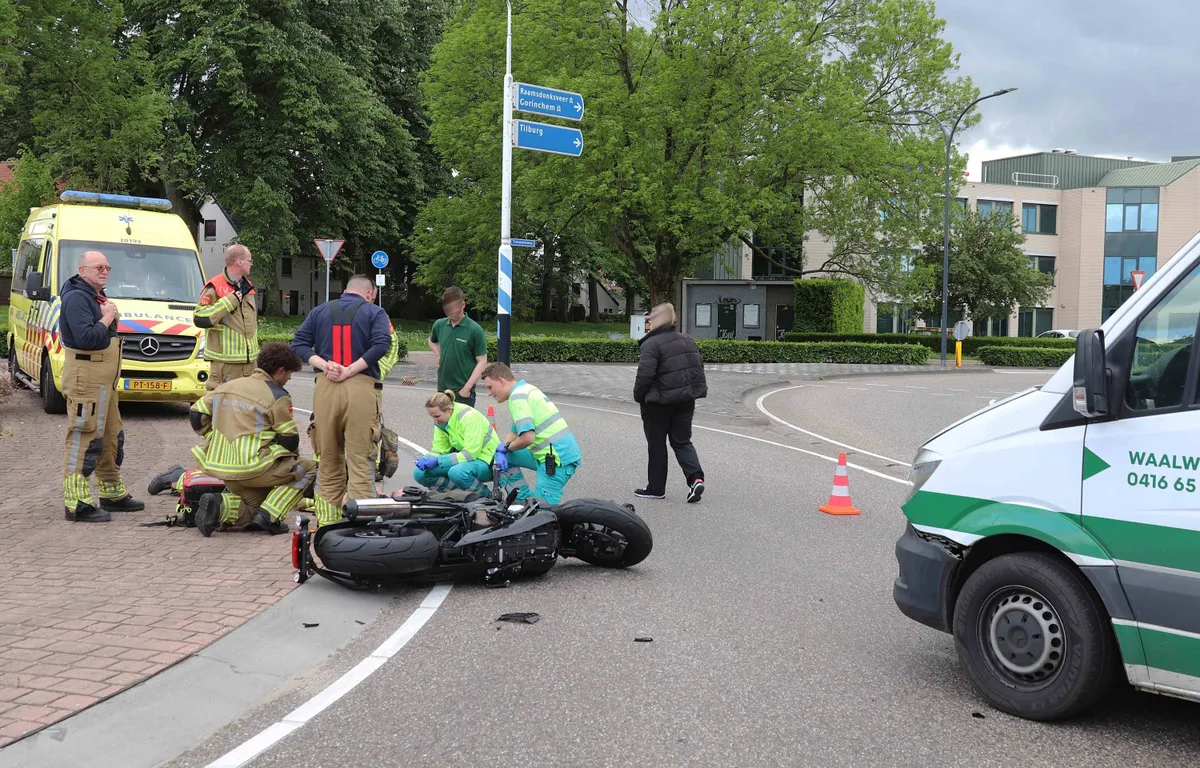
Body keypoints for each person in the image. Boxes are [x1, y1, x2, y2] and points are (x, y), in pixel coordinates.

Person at [175, 342, 332, 535]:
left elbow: (196, 414)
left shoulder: (227, 386)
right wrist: (283, 459)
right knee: (308, 468)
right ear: (280, 370)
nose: (289, 378)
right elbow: (290, 440)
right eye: (289, 373)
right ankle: (270, 517)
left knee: (253, 509)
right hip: (255, 469)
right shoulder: (277, 396)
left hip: (221, 468)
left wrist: (211, 435)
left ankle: (219, 507)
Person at [291, 275, 392, 508]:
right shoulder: (375, 312)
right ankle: (358, 523)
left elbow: (298, 344)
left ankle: (328, 523)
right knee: (361, 463)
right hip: (361, 390)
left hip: (325, 388)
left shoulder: (319, 311)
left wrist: (325, 365)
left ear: (346, 290)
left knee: (328, 462)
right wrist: (349, 370)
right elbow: (381, 345)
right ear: (370, 293)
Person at [59, 250, 145, 522]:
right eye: (98, 267)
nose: (105, 271)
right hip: (86, 379)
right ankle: (77, 503)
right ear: (82, 270)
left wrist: (110, 317)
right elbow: (87, 338)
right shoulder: (76, 298)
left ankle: (112, 493)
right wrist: (107, 317)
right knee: (85, 438)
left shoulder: (95, 296)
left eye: (107, 267)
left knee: (110, 437)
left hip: (105, 382)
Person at [633, 302, 707, 502]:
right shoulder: (688, 340)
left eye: (652, 317)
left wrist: (639, 396)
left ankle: (656, 489)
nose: (649, 320)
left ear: (658, 320)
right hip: (685, 401)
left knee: (657, 444)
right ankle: (696, 479)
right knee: (682, 442)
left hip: (658, 404)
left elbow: (645, 376)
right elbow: (697, 369)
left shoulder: (651, 344)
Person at [482, 362, 582, 505]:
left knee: (543, 510)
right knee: (503, 457)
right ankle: (521, 501)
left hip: (556, 459)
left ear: (501, 381)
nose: (489, 393)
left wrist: (506, 447)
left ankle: (532, 506)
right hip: (554, 453)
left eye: (490, 387)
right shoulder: (525, 389)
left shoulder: (518, 397)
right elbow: (514, 431)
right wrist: (502, 449)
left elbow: (527, 438)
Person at [194, 244, 259, 391]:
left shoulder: (247, 286)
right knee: (220, 403)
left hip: (249, 364)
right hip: (225, 365)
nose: (251, 264)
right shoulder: (215, 286)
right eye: (249, 260)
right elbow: (199, 317)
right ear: (239, 262)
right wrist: (230, 301)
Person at [413, 390, 501, 496]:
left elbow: (470, 454)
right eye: (432, 416)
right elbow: (439, 450)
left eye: (437, 416)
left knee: (457, 472)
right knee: (420, 473)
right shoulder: (442, 423)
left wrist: (438, 460)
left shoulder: (469, 418)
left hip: (488, 461)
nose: (434, 421)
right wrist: (427, 458)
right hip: (468, 460)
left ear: (449, 410)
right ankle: (457, 495)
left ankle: (486, 496)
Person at [428, 286, 487, 407]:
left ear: (463, 304)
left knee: (462, 420)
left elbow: (482, 362)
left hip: (462, 392)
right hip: (442, 391)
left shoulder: (475, 330)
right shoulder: (439, 325)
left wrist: (467, 388)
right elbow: (431, 340)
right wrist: (438, 355)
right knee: (442, 419)